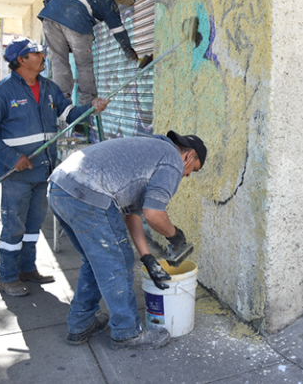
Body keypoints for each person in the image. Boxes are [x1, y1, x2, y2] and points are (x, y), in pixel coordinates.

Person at [47, 131, 207, 350]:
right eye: (193, 170)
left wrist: (147, 257)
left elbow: (135, 215)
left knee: (96, 261)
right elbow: (153, 214)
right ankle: (127, 332)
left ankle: (81, 322)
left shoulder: (150, 152)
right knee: (118, 263)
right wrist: (175, 236)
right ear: (189, 156)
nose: (187, 176)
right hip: (87, 194)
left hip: (60, 187)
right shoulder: (172, 160)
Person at [0, 38, 109, 297]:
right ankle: (8, 277)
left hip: (44, 171)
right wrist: (11, 157)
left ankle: (27, 269)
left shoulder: (48, 87)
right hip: (16, 174)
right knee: (14, 226)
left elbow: (69, 114)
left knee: (34, 224)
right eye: (36, 52)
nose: (43, 55)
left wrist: (90, 109)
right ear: (21, 60)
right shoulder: (1, 93)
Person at [38, 0, 152, 106]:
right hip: (77, 22)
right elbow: (118, 29)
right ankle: (87, 105)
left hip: (49, 19)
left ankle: (61, 103)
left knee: (58, 61)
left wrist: (50, 5)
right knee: (84, 65)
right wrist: (127, 49)